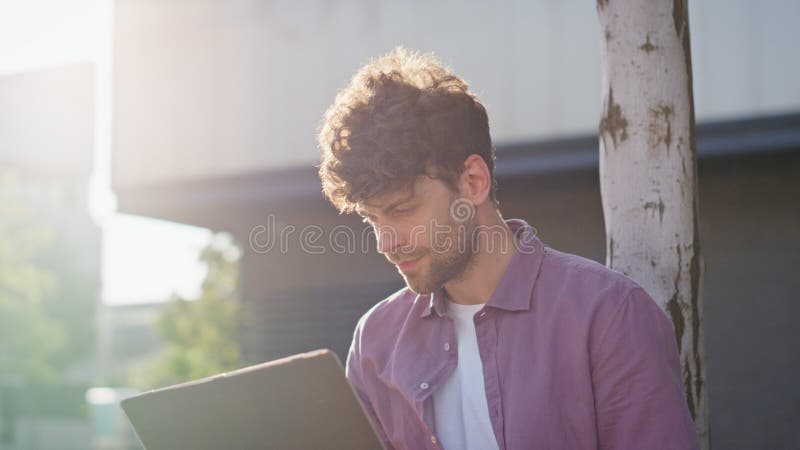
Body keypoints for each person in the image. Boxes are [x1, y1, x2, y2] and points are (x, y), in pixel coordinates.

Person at [317, 47, 700, 450]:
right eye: (372, 219)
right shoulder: (375, 344)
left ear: (473, 182)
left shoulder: (609, 316)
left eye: (402, 210)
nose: (385, 242)